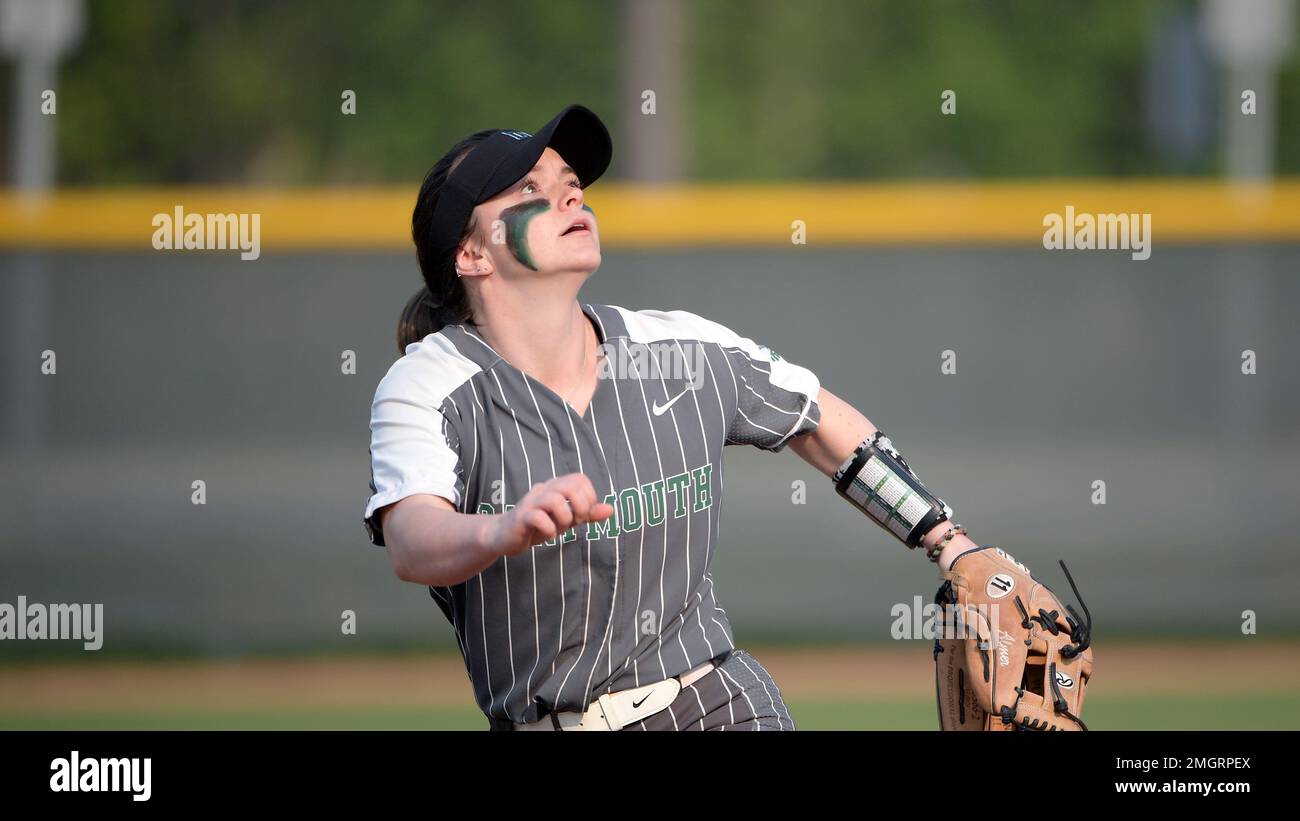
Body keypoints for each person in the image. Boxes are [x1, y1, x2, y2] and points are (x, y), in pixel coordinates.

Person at [363, 103, 983, 731]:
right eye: (530, 190)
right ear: (471, 254)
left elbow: (819, 419)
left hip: (714, 704)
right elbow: (413, 540)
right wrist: (501, 530)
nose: (571, 198)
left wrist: (951, 544)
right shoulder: (429, 386)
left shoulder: (680, 351)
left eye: (573, 185)